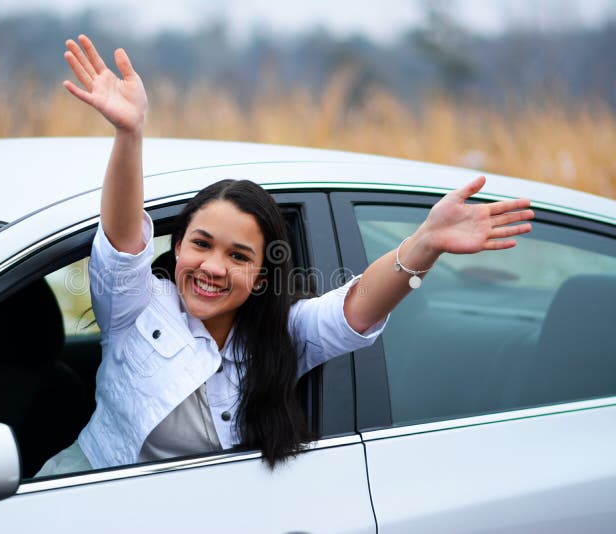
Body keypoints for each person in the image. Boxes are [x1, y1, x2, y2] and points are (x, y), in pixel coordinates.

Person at [36, 35, 535, 476]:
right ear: (179, 245)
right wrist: (129, 134)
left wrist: (426, 242)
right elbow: (123, 240)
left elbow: (354, 310)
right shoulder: (136, 306)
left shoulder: (282, 332)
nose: (212, 267)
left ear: (259, 275)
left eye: (238, 256)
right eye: (201, 244)